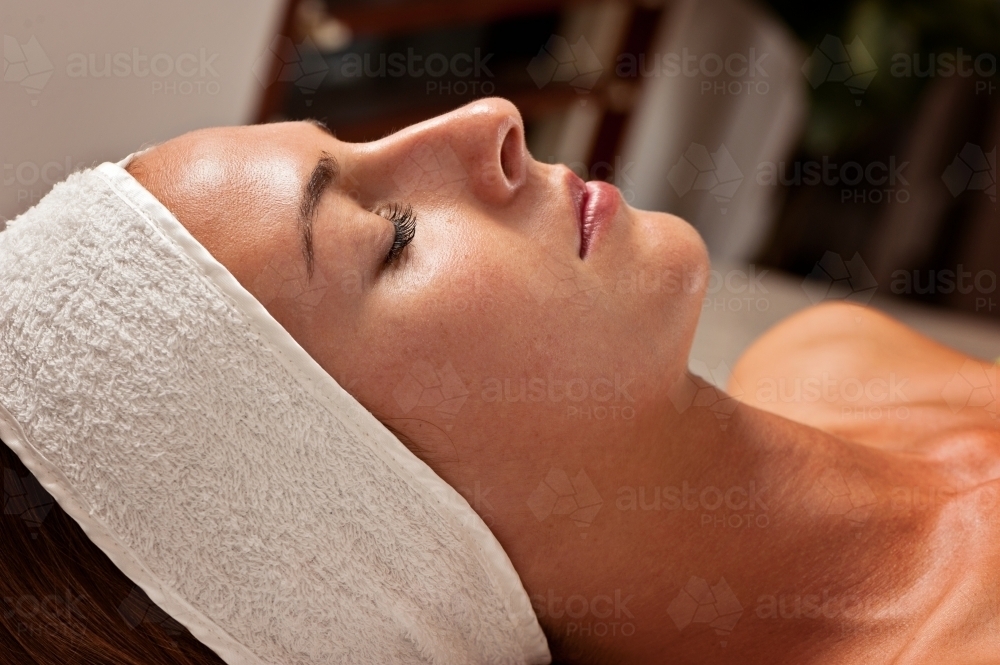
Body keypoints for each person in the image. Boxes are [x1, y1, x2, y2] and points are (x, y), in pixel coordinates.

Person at [2, 97, 998, 664]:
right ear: (380, 539)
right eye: (392, 235)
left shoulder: (831, 353)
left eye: (353, 140)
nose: (489, 120)